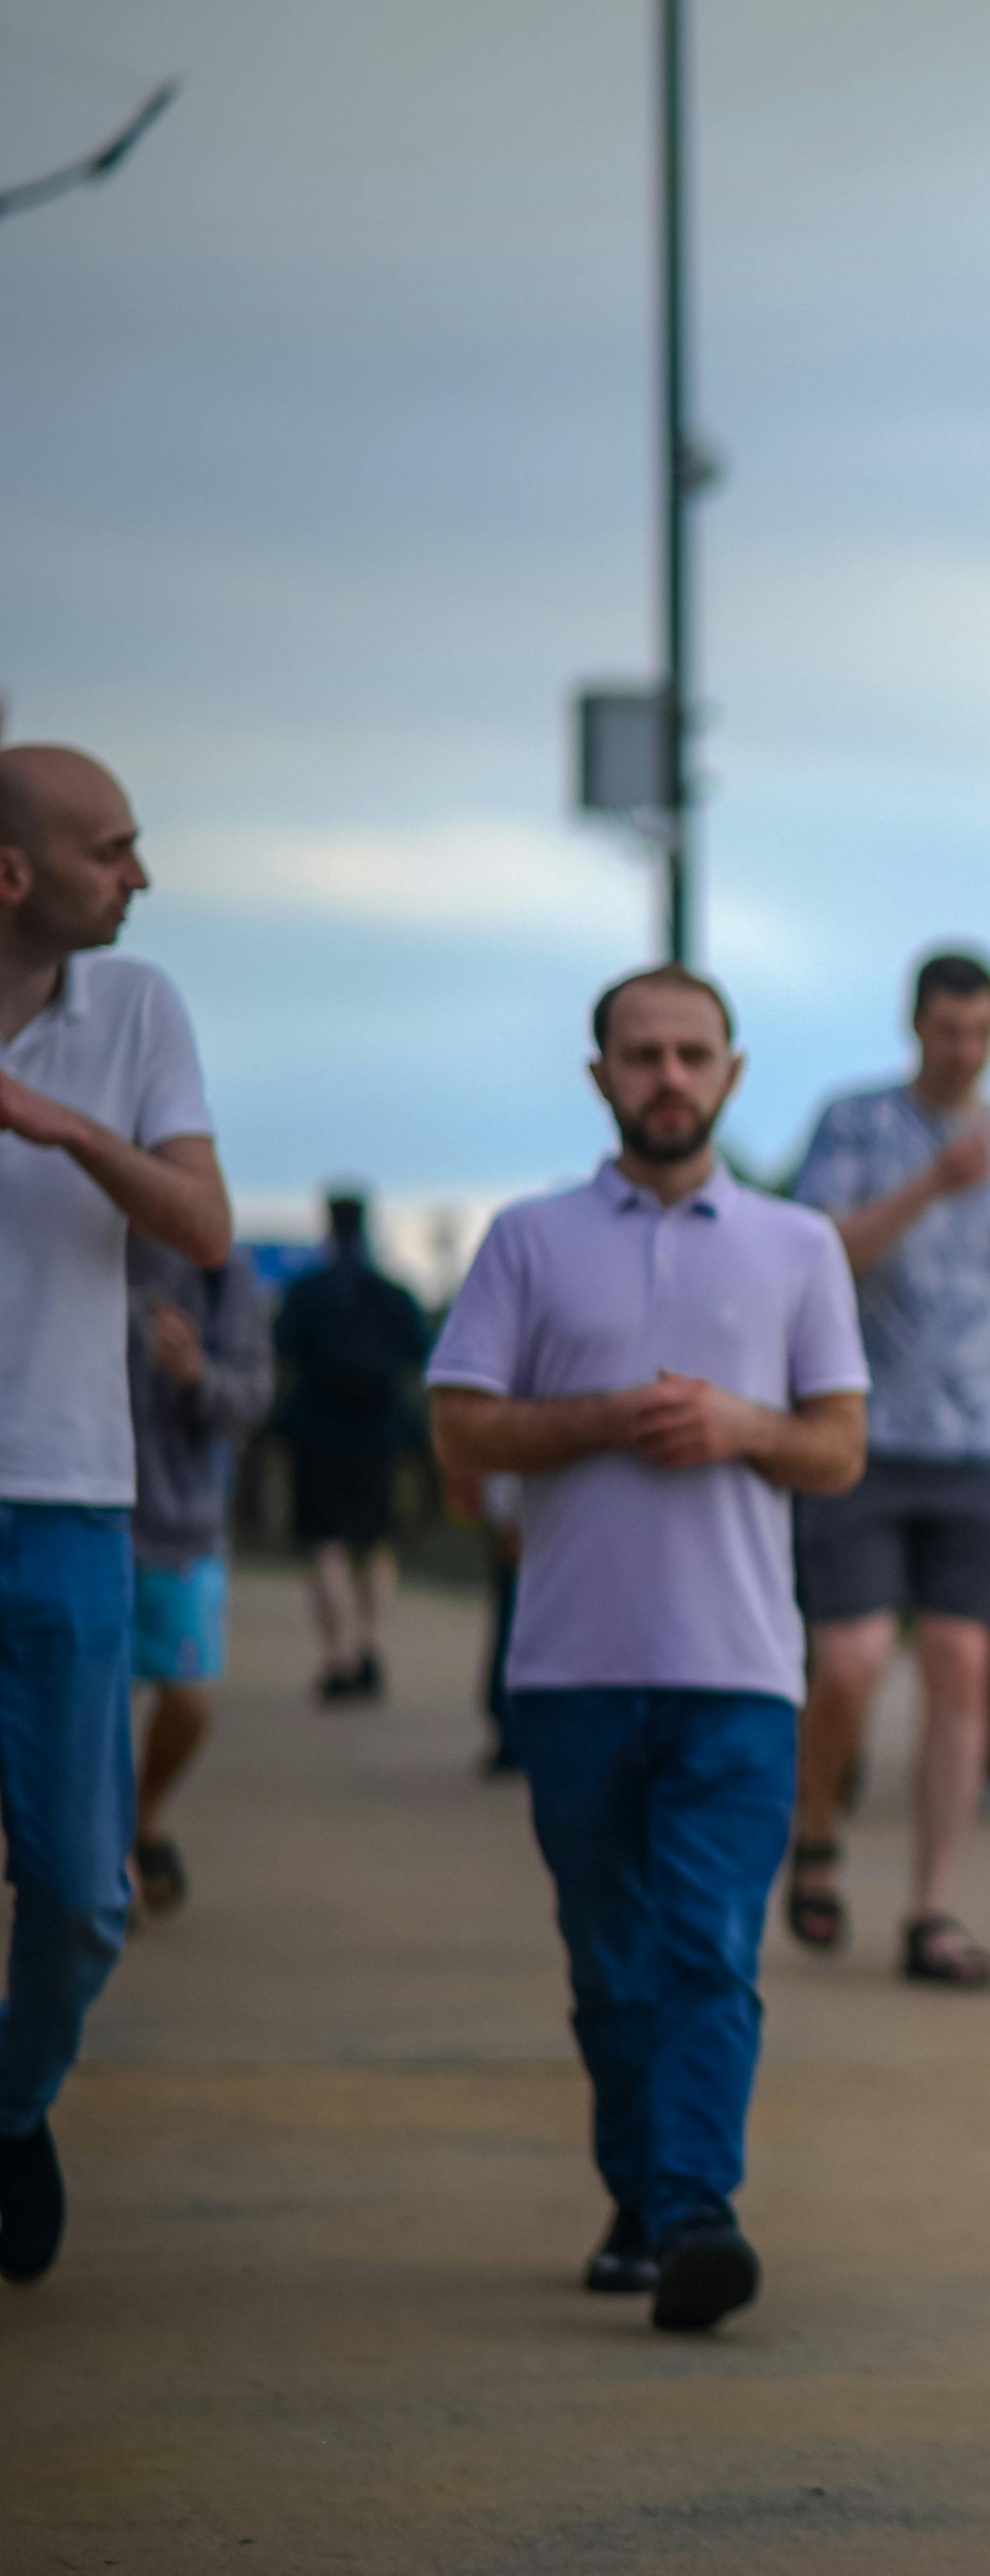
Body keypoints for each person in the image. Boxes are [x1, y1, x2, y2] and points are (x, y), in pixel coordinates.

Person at [425, 964, 867, 2332]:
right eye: (641, 1054)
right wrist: (603, 1418)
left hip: (740, 1671)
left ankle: (692, 2215)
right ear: (599, 1075)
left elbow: (839, 1449)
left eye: (691, 1053)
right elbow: (461, 1430)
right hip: (570, 1669)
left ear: (731, 1073)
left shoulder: (800, 1245)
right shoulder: (529, 1239)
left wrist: (743, 1427)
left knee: (708, 1952)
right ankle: (639, 2194)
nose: (667, 1076)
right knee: (611, 1966)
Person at [0, 741, 232, 2287]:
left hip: (69, 1499)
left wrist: (63, 1127)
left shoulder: (137, 1011)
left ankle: (11, 2106)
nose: (138, 875)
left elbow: (205, 1226)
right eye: (112, 849)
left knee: (85, 1894)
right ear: (12, 872)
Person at [781, 949, 990, 1990]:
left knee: (962, 1664)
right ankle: (816, 1827)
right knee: (852, 1660)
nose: (964, 1051)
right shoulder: (853, 1124)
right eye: (949, 1032)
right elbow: (818, 1257)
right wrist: (929, 1186)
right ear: (915, 1027)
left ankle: (933, 1906)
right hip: (861, 1431)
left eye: (981, 1033)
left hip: (984, 1441)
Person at [126, 1232, 275, 1913]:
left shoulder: (220, 1270)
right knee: (89, 1703)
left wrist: (196, 1375)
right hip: (72, 1523)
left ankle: (142, 1813)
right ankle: (106, 1851)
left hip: (181, 1525)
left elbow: (252, 1392)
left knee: (187, 1698)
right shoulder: (60, 1239)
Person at [273, 1187, 431, 1702]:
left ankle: (337, 1658)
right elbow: (419, 1355)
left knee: (328, 1545)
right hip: (380, 1433)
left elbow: (283, 1353)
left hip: (318, 1433)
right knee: (376, 1542)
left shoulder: (307, 1292)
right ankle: (369, 1644)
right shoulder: (392, 1293)